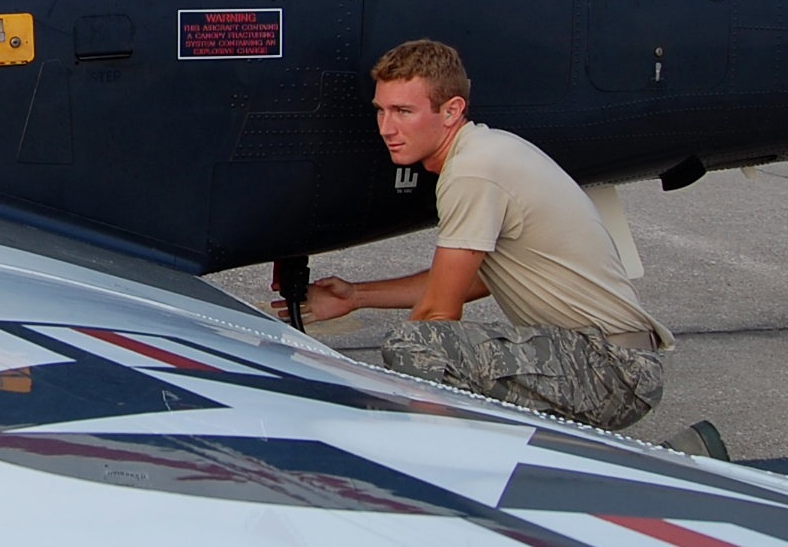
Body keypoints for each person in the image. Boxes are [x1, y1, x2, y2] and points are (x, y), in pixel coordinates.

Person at [275, 39, 673, 431]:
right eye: (381, 110)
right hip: (599, 358)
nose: (386, 128)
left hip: (610, 370)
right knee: (425, 345)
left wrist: (380, 416)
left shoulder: (473, 170)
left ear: (451, 110)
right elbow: (471, 281)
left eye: (403, 111)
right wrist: (356, 296)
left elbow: (438, 314)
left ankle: (443, 460)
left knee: (417, 346)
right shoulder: (484, 150)